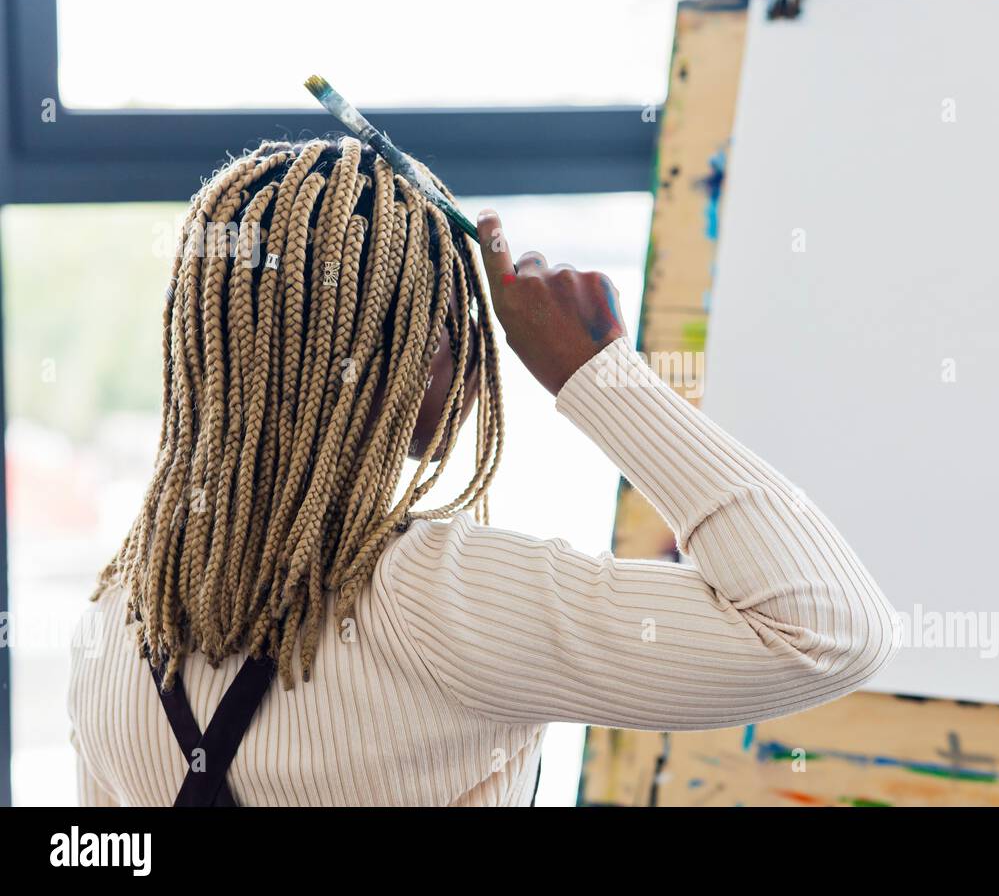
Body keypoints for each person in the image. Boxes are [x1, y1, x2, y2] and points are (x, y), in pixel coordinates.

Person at [68, 138, 899, 806]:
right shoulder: (441, 602)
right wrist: (598, 373)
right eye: (455, 324)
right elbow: (827, 628)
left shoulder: (113, 618)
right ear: (387, 358)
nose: (474, 359)